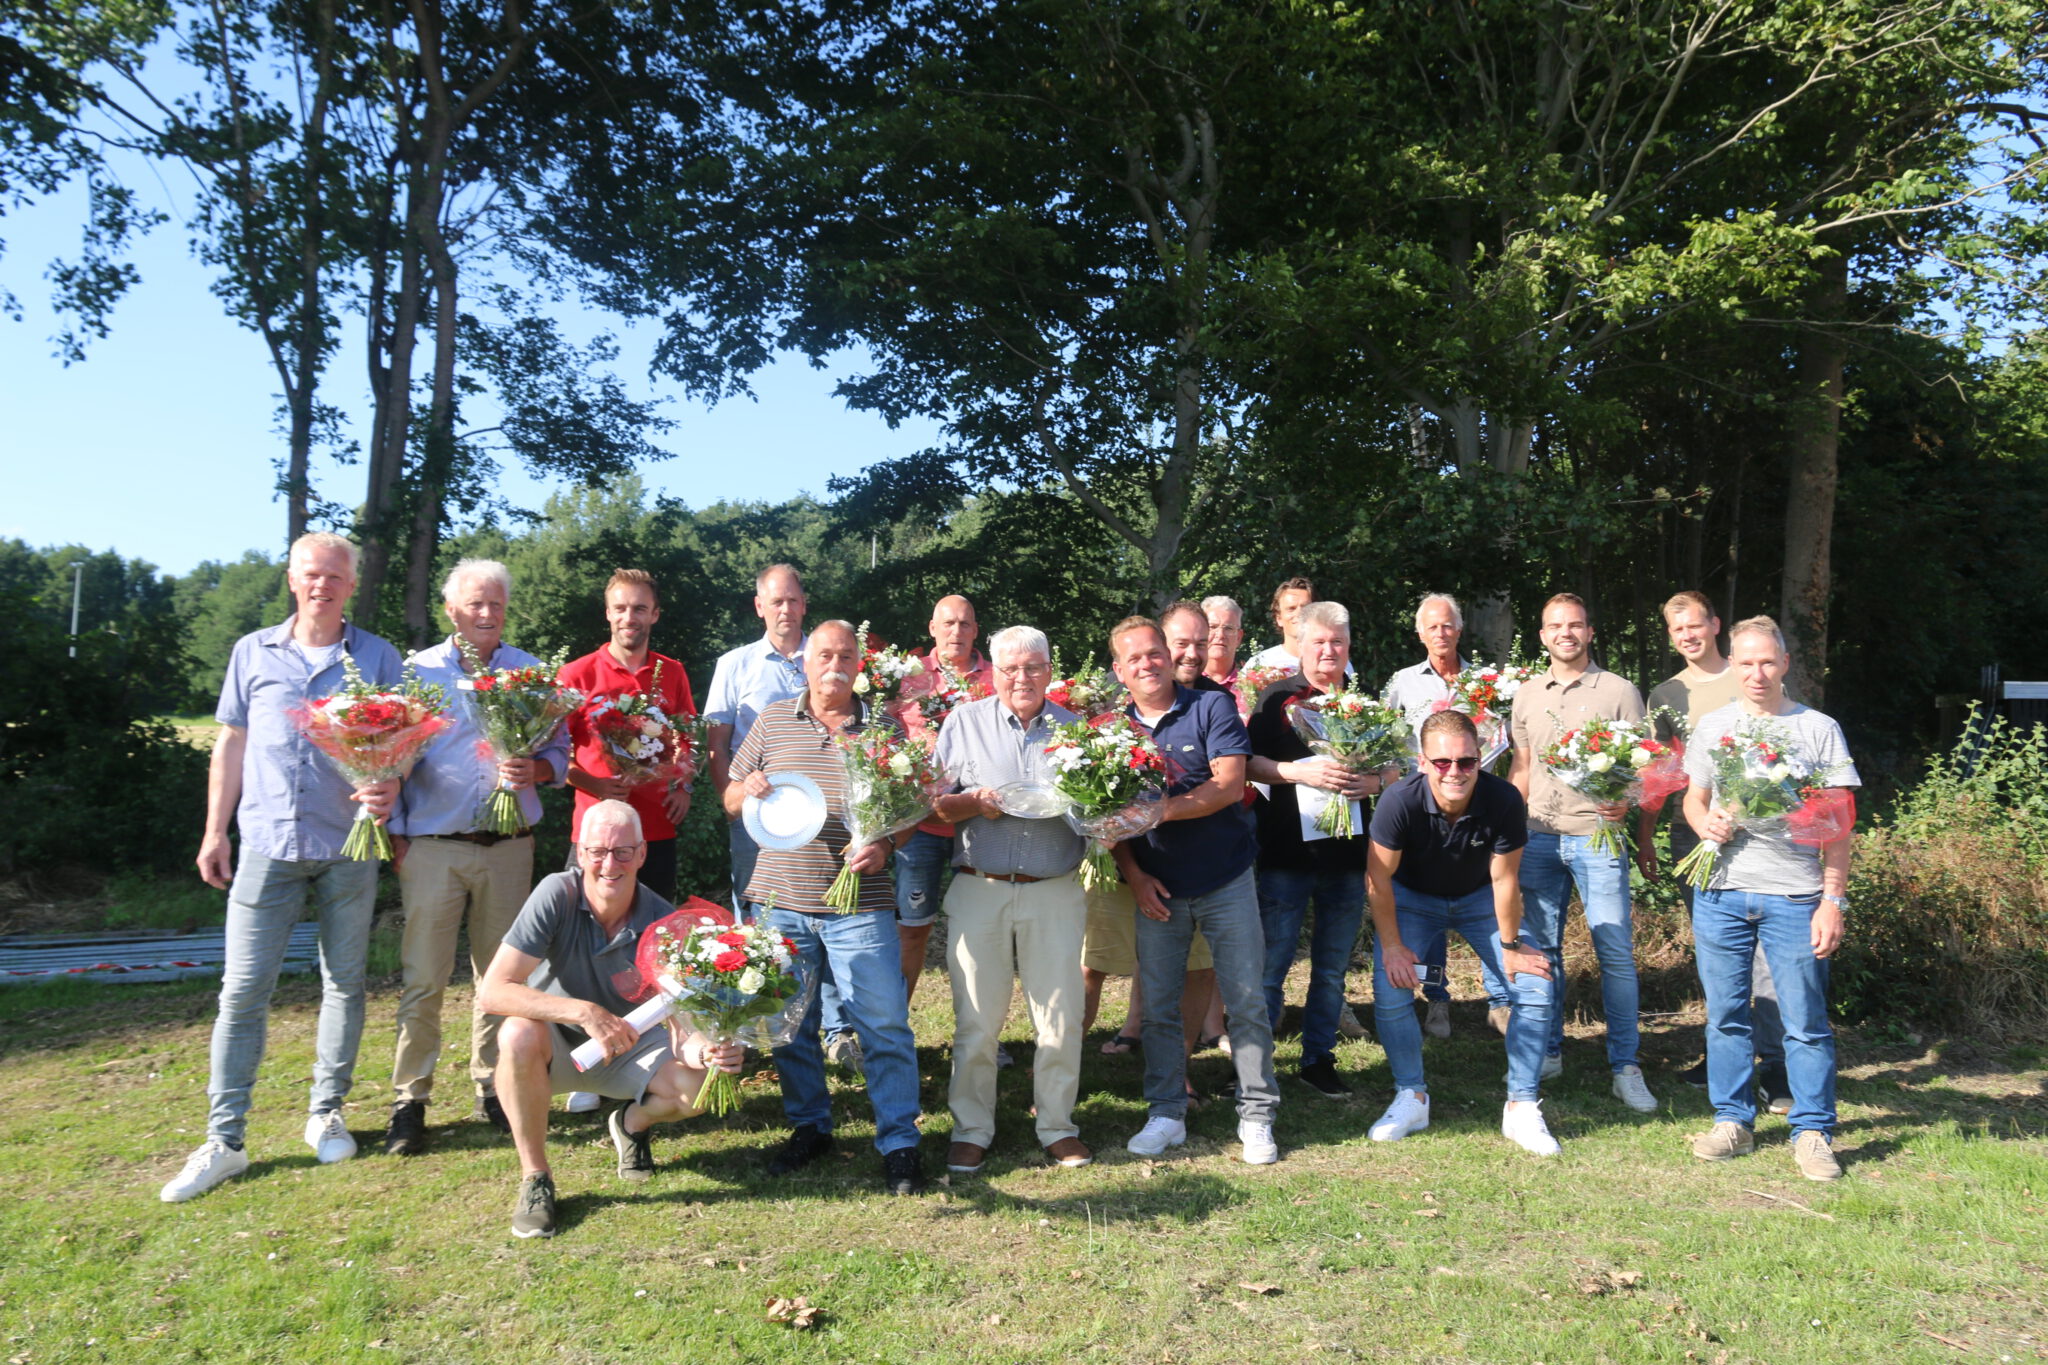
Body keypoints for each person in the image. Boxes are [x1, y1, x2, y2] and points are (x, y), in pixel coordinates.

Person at [161, 533, 403, 1203]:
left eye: (334, 575)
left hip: (347, 846)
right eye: (310, 574)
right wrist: (215, 830)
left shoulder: (378, 656)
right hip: (265, 840)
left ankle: (327, 1112)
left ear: (351, 583)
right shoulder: (253, 651)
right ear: (292, 579)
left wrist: (391, 784)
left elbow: (402, 745)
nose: (321, 584)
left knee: (345, 983)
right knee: (242, 990)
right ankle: (225, 1139)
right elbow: (231, 743)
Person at [724, 621, 928, 1195]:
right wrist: (751, 787)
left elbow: (913, 814)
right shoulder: (771, 721)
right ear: (805, 663)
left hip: (860, 903)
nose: (833, 664)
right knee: (791, 1026)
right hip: (780, 901)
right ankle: (810, 1128)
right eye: (823, 655)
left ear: (859, 664)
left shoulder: (882, 729)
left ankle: (899, 1142)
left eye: (845, 655)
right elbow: (730, 800)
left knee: (883, 1024)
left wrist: (886, 843)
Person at [476, 801, 742, 1238]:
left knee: (698, 1091)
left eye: (623, 852)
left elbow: (680, 1026)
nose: (609, 864)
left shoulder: (662, 920)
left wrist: (708, 1052)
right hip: (557, 1044)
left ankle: (631, 1124)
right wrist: (583, 1012)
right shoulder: (556, 894)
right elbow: (493, 991)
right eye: (598, 851)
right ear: (580, 853)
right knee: (517, 1033)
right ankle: (535, 1178)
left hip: (629, 1045)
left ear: (641, 855)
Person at [383, 559, 570, 1154]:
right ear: (451, 610)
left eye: (495, 604)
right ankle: (410, 1099)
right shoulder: (417, 673)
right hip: (435, 846)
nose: (485, 614)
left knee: (501, 976)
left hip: (508, 848)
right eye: (474, 604)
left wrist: (535, 767)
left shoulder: (529, 674)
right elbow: (387, 755)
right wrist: (391, 830)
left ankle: (493, 1084)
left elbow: (561, 755)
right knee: (424, 977)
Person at [1683, 617, 1860, 1181]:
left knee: (1804, 1019)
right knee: (1727, 1015)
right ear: (1731, 666)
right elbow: (1693, 799)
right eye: (1745, 662)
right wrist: (1705, 823)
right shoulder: (1714, 727)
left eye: (1766, 662)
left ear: (1785, 664)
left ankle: (1812, 1132)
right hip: (1721, 892)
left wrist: (1834, 901)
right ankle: (1733, 1121)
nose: (1756, 673)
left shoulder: (1818, 729)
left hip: (1795, 896)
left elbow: (1839, 826)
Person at [1107, 616, 1282, 1165]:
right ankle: (1165, 1113)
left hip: (1225, 878)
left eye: (1154, 652)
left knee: (1248, 1001)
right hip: (1156, 886)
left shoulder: (1211, 707)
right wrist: (1134, 876)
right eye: (1133, 658)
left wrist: (1161, 810)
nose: (1147, 664)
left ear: (1168, 654)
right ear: (1119, 671)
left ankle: (1257, 1117)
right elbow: (1104, 818)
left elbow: (1229, 785)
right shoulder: (1108, 731)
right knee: (1158, 1008)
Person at [929, 625, 1093, 1173]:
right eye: (1009, 668)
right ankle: (972, 1127)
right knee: (976, 1020)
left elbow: (1094, 809)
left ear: (1050, 670)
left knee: (1060, 1016)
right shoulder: (963, 723)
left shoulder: (1076, 731)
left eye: (1033, 667)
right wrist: (972, 802)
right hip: (983, 887)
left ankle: (1057, 1126)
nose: (1021, 678)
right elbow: (933, 807)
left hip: (1055, 890)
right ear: (992, 671)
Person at [1364, 710, 1562, 1155]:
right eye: (1442, 762)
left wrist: (1511, 948)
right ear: (1422, 762)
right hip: (1413, 898)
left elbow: (1505, 880)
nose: (1454, 772)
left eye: (1466, 762)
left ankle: (1522, 1105)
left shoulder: (1505, 799)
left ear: (1481, 758)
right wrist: (1393, 947)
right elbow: (1377, 881)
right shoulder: (1399, 800)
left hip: (1480, 901)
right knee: (1390, 984)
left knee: (1533, 984)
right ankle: (1411, 1095)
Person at [702, 565, 862, 1071]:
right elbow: (717, 747)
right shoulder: (735, 664)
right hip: (763, 819)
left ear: (804, 603)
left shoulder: (827, 656)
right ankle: (759, 1027)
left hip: (831, 822)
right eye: (776, 602)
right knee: (764, 926)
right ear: (759, 606)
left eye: (793, 600)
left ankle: (837, 1030)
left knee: (831, 911)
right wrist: (735, 807)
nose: (785, 610)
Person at [1638, 590, 1789, 1112]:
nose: (1688, 636)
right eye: (1678, 629)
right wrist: (1645, 835)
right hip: (1695, 833)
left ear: (1716, 625)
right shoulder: (1665, 694)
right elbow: (1658, 774)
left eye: (1696, 625)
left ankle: (1776, 1066)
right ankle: (1724, 1056)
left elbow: (1783, 750)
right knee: (1719, 955)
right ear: (1670, 635)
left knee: (1766, 959)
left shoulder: (1750, 672)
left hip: (1762, 834)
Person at [1509, 592, 1658, 1113]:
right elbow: (1523, 769)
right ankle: (1550, 1050)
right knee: (1542, 951)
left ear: (1590, 632)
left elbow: (1646, 768)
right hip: (1540, 837)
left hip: (1598, 838)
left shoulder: (1619, 691)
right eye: (1555, 626)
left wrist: (1626, 801)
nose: (1565, 633)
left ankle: (1626, 1066)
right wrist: (1511, 828)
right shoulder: (1527, 694)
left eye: (1575, 625)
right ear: (1543, 636)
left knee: (1614, 953)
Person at [1245, 601, 1395, 1098]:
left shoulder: (1366, 702)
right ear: (1301, 645)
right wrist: (1296, 771)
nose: (1328, 650)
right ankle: (1254, 1067)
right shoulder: (1275, 700)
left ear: (1348, 647)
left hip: (1348, 858)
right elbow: (1247, 764)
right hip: (1287, 854)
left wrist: (1373, 780)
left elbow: (1400, 768)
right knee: (1271, 965)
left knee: (1332, 967)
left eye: (1337, 642)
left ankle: (1317, 1059)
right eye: (1319, 642)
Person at [1381, 592, 1511, 1040]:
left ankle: (1500, 1001)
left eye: (1448, 625)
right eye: (1432, 626)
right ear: (1420, 633)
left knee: (1489, 900)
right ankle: (1437, 999)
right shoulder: (1403, 682)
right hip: (1425, 808)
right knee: (1429, 904)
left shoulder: (1486, 683)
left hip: (1481, 809)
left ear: (1460, 630)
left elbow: (1504, 738)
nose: (1440, 632)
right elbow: (1387, 739)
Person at [559, 568, 695, 902]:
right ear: (608, 613)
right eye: (620, 608)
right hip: (595, 833)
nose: (628, 617)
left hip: (655, 830)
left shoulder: (672, 672)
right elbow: (551, 754)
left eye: (639, 608)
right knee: (583, 930)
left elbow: (688, 739)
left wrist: (683, 787)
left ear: (655, 614)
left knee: (652, 935)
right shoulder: (576, 674)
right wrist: (595, 785)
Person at [892, 594, 994, 1003]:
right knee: (912, 929)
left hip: (982, 826)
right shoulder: (907, 678)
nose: (956, 631)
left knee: (983, 933)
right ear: (932, 628)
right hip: (922, 827)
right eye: (948, 623)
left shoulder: (997, 677)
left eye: (965, 624)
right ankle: (894, 1031)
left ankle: (980, 1034)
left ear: (976, 631)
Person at [1244, 577, 1317, 672]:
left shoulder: (1334, 661)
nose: (1299, 613)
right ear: (1279, 618)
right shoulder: (1261, 664)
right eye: (1291, 608)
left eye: (1305, 607)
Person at [1200, 595, 1245, 690]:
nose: (1220, 635)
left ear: (1239, 637)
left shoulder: (1250, 686)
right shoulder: (1183, 683)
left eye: (1228, 628)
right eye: (1212, 627)